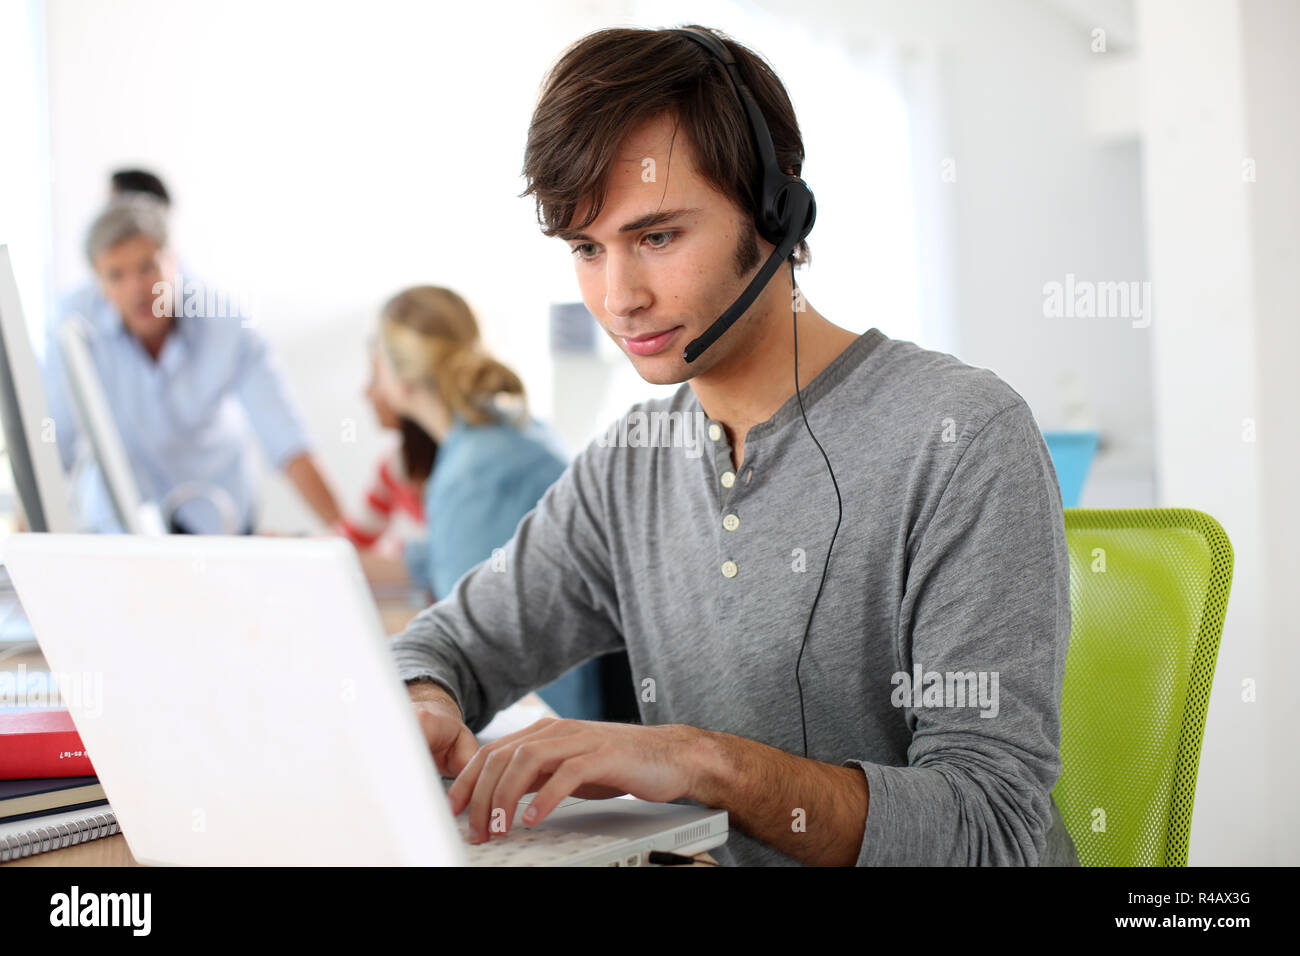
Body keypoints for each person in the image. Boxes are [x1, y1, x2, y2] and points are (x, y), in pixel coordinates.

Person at [389, 25, 1078, 867]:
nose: (619, 298)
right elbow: (442, 646)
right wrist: (423, 700)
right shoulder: (630, 465)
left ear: (777, 212)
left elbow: (992, 829)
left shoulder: (961, 438)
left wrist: (700, 763)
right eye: (585, 249)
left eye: (656, 237)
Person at [41, 194, 343, 534]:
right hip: (123, 531)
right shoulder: (71, 327)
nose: (138, 289)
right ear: (98, 280)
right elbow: (55, 445)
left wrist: (345, 535)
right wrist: (28, 542)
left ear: (174, 260)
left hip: (220, 521)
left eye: (148, 267)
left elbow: (287, 438)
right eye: (116, 275)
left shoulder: (225, 322)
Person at [371, 285, 607, 721]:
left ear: (401, 378)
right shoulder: (501, 433)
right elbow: (484, 556)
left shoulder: (474, 473)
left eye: (377, 362)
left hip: (543, 717)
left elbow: (468, 629)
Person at [334, 339, 436, 573]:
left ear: (409, 383)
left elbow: (449, 561)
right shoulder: (395, 466)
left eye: (376, 379)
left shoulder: (460, 465)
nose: (365, 392)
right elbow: (352, 539)